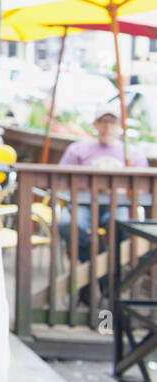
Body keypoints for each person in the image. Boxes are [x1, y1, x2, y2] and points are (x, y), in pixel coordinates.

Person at [57, 99, 148, 264]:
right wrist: (92, 187)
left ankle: (110, 274)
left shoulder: (133, 154)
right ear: (95, 124)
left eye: (113, 122)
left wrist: (121, 190)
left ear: (120, 126)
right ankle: (91, 266)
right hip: (83, 203)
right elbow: (62, 180)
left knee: (122, 226)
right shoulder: (78, 149)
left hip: (118, 204)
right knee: (67, 224)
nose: (108, 127)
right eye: (104, 122)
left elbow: (143, 186)